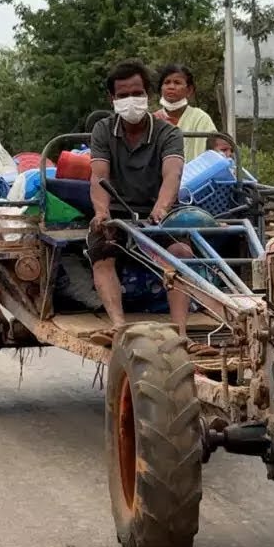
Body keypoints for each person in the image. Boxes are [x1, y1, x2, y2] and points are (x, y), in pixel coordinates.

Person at [87, 59, 212, 354]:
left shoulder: (168, 133)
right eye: (123, 95)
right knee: (101, 252)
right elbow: (99, 176)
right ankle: (118, 326)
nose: (131, 101)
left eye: (137, 93)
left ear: (147, 95)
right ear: (112, 99)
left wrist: (161, 207)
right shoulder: (103, 131)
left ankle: (181, 334)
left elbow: (173, 174)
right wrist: (102, 213)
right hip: (117, 215)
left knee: (181, 253)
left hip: (159, 214)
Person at [153, 63, 217, 160]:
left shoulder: (201, 119)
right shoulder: (153, 120)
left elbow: (211, 155)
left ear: (189, 90)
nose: (171, 87)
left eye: (177, 83)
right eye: (167, 82)